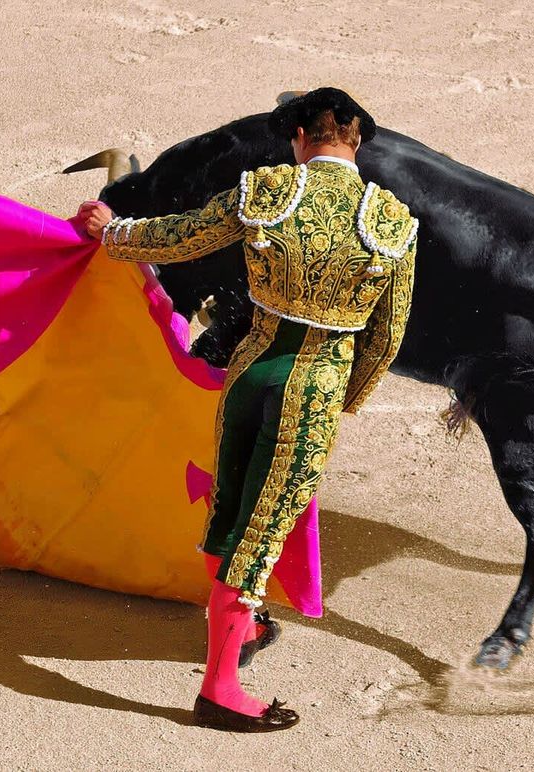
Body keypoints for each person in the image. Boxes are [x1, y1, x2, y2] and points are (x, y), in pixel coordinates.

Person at [74, 87, 419, 732]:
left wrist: (111, 233)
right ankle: (220, 689)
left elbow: (183, 236)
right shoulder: (392, 223)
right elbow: (387, 335)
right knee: (257, 541)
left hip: (248, 374)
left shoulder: (268, 192)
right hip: (311, 386)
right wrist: (345, 396)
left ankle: (247, 625)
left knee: (230, 508)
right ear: (358, 143)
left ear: (298, 138)